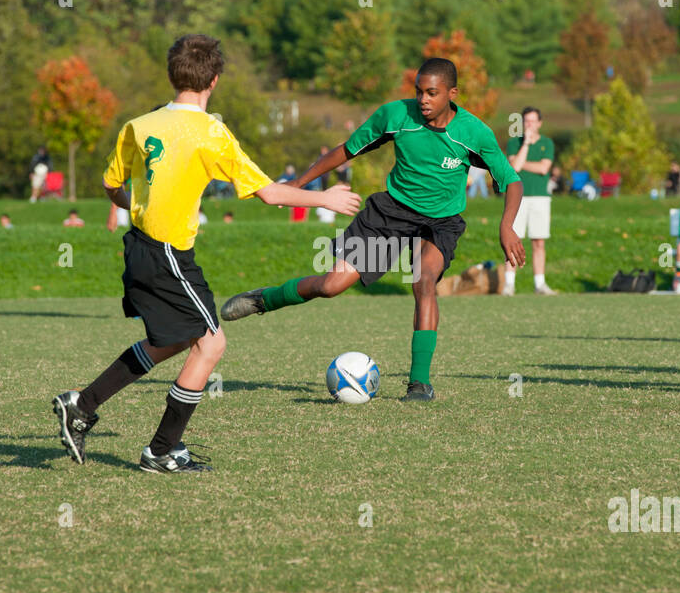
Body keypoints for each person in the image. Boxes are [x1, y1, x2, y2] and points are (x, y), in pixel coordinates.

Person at [52, 34, 358, 473]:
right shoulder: (212, 132)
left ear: (172, 74)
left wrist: (138, 207)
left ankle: (82, 405)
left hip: (139, 248)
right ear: (214, 80)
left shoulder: (139, 125)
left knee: (173, 340)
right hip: (169, 254)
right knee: (211, 345)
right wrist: (324, 199)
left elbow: (111, 185)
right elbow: (270, 194)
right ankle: (161, 451)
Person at [220, 56, 525, 401]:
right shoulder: (395, 116)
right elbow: (345, 151)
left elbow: (511, 180)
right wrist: (299, 184)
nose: (423, 99)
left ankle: (419, 383)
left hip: (441, 221)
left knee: (424, 282)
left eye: (432, 93)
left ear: (452, 94)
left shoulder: (474, 133)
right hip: (392, 214)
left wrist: (507, 226)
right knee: (331, 285)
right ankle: (265, 299)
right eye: (419, 91)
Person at [502, 106, 557, 295]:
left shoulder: (547, 143)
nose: (530, 124)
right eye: (526, 121)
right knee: (512, 241)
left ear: (540, 123)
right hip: (517, 199)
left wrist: (521, 163)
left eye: (533, 121)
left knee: (539, 242)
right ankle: (509, 283)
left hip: (540, 197)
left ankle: (539, 283)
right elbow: (514, 167)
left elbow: (544, 168)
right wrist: (525, 144)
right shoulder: (514, 143)